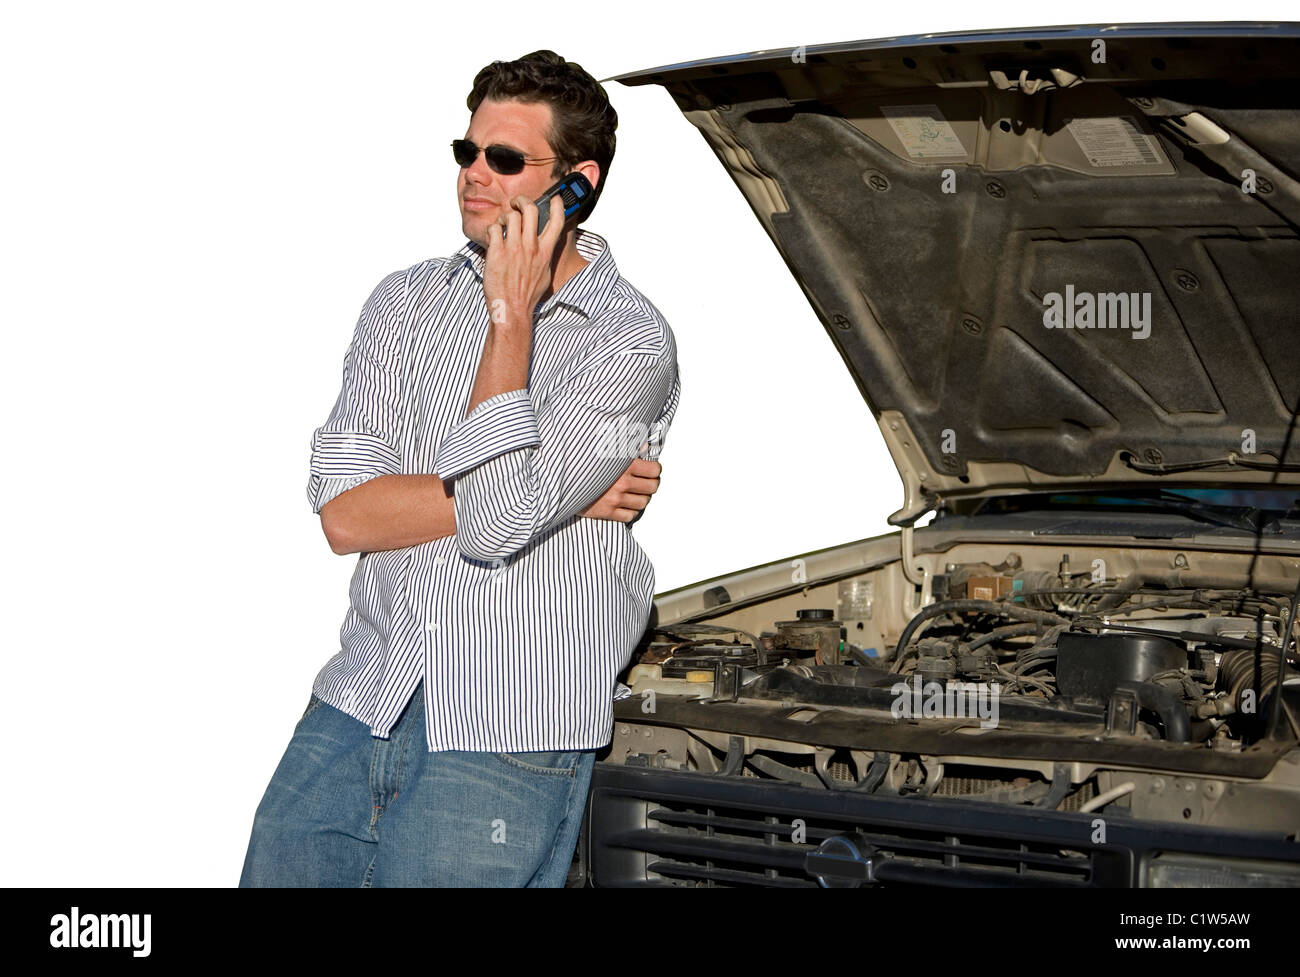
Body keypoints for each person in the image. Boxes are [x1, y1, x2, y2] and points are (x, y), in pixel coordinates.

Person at [239, 50, 679, 887]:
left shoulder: (631, 340)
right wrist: (569, 502)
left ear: (577, 184)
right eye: (467, 152)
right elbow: (347, 516)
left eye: (505, 160)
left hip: (509, 723)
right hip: (360, 697)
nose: (475, 175)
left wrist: (510, 317)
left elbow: (500, 519)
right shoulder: (403, 302)